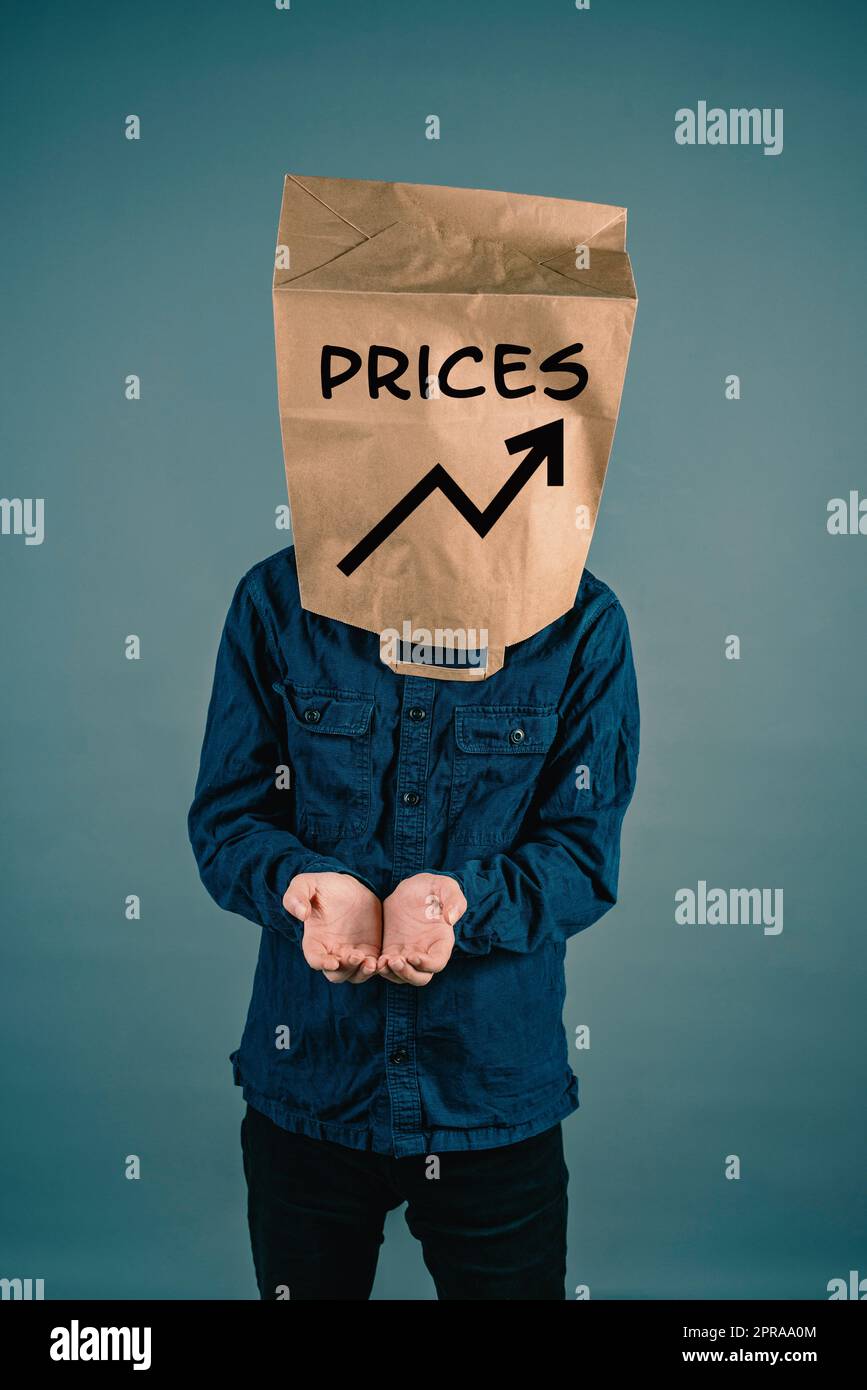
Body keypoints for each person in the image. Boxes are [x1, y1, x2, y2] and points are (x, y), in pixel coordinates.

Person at [187, 543, 639, 1300]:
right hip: (310, 1085)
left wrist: (462, 903)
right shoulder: (276, 600)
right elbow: (229, 818)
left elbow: (583, 856)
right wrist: (305, 886)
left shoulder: (580, 618)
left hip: (490, 1093)